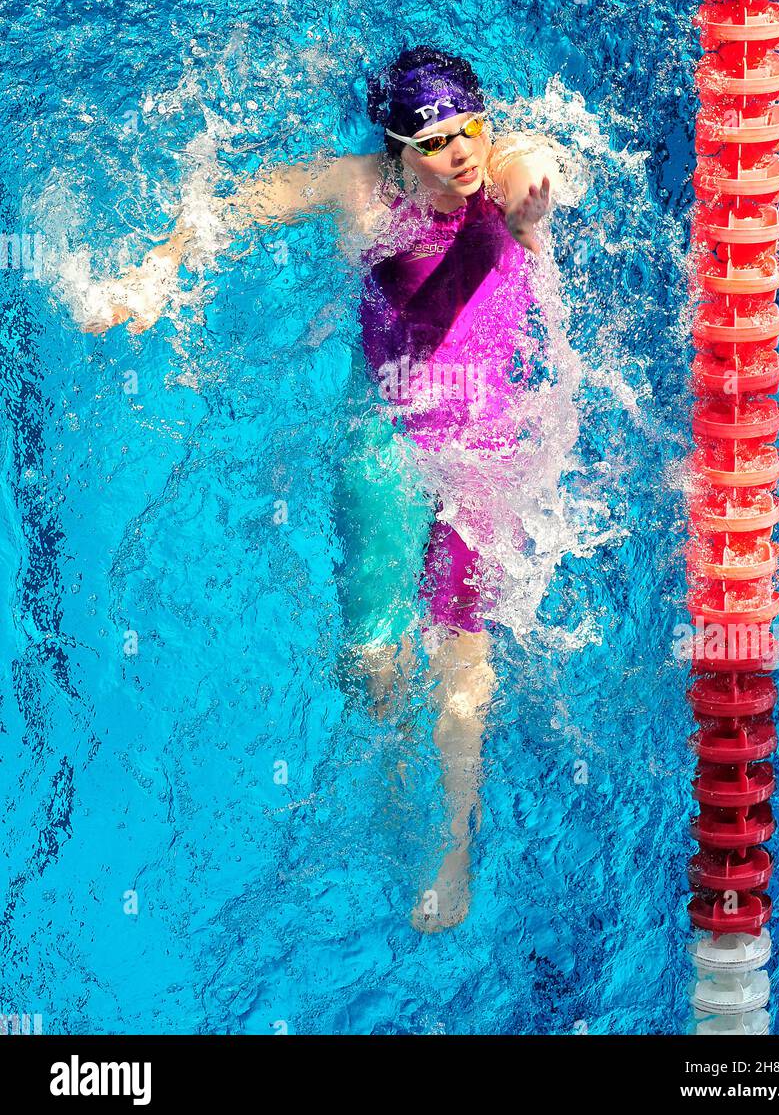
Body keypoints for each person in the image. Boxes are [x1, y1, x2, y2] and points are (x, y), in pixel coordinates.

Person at [83, 46, 561, 930]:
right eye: (432, 142)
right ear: (393, 147)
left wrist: (531, 189)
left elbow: (533, 168)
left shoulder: (499, 170)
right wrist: (152, 277)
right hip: (383, 432)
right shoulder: (357, 188)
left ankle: (455, 846)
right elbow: (230, 206)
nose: (458, 154)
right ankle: (387, 787)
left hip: (481, 441)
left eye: (468, 131)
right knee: (370, 655)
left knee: (462, 647)